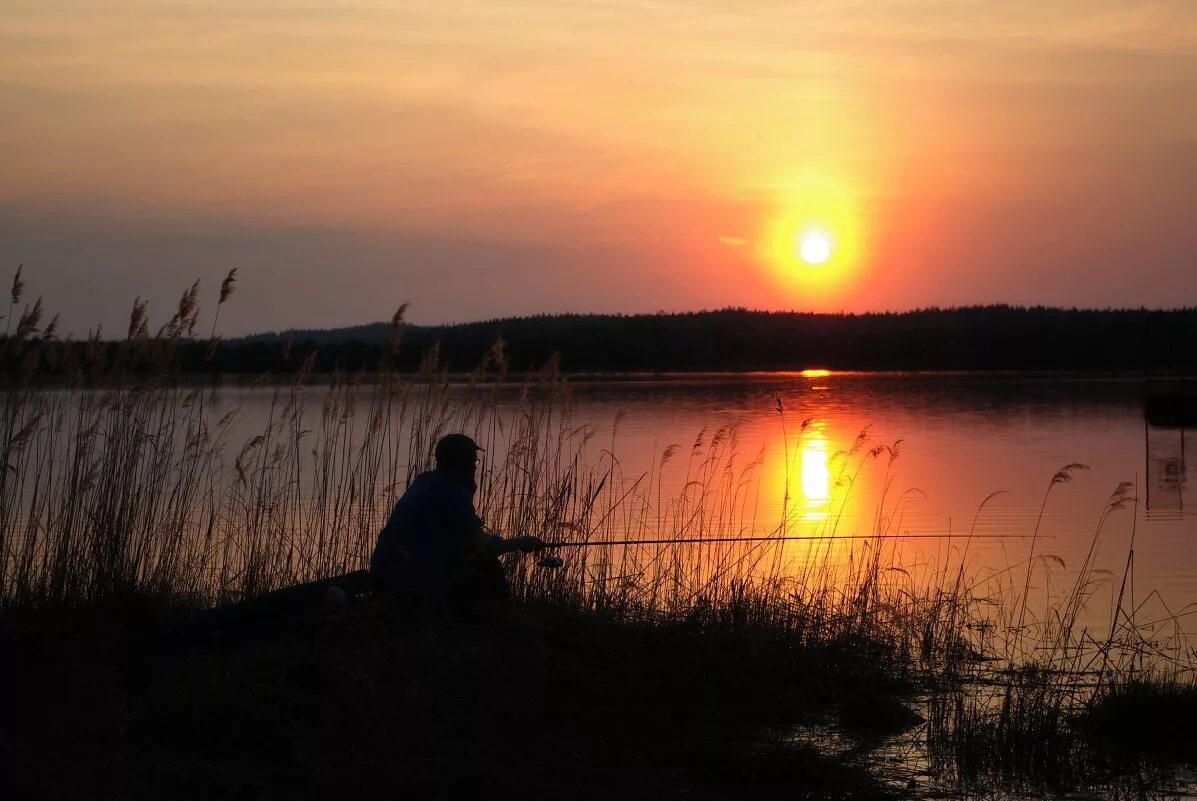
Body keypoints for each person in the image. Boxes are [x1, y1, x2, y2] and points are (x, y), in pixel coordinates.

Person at [369, 433, 545, 607]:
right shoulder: (454, 493)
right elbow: (482, 547)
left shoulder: (425, 481)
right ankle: (494, 623)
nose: (476, 467)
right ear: (462, 465)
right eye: (474, 462)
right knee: (489, 567)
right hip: (405, 581)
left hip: (383, 574)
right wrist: (521, 542)